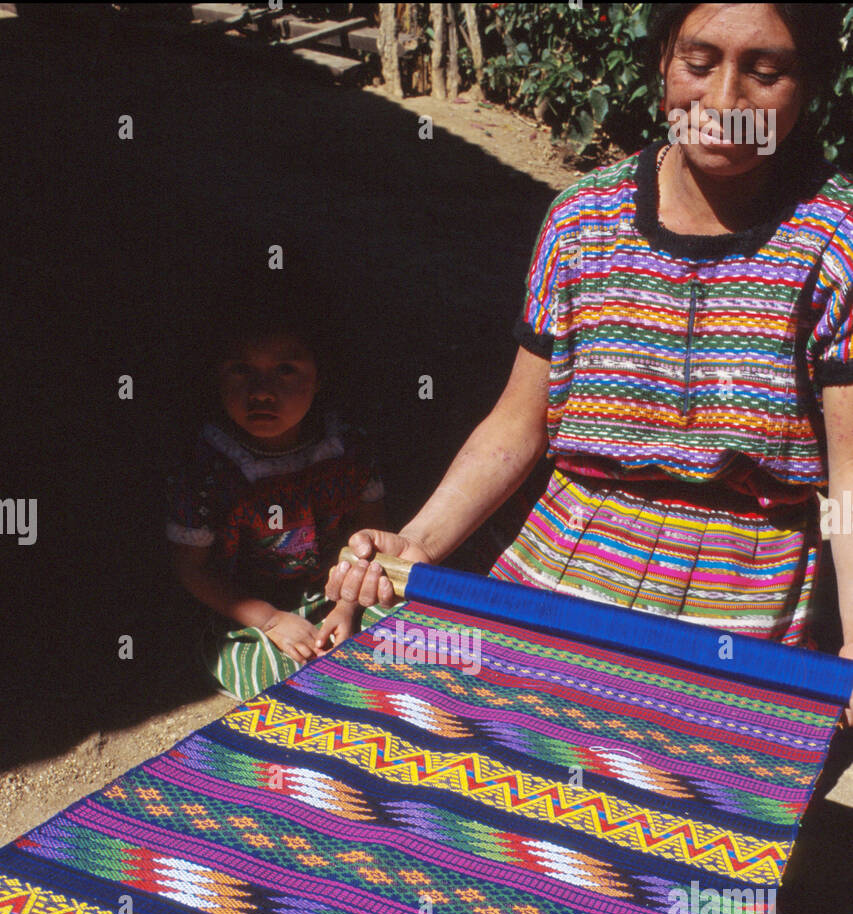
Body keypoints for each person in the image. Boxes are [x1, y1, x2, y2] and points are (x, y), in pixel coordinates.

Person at [325, 3, 853, 721]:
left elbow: (848, 481)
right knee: (433, 743)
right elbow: (517, 426)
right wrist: (417, 541)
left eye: (766, 73)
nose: (725, 101)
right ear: (663, 60)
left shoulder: (834, 244)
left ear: (809, 83)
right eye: (699, 63)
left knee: (669, 775)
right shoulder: (583, 219)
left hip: (737, 600)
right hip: (559, 566)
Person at [166, 288, 387, 699]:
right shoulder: (208, 468)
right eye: (241, 370)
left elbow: (371, 530)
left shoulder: (345, 447)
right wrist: (269, 620)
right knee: (288, 677)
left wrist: (347, 606)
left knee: (404, 630)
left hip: (337, 590)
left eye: (286, 370)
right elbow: (191, 568)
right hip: (245, 610)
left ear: (320, 377)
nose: (261, 391)